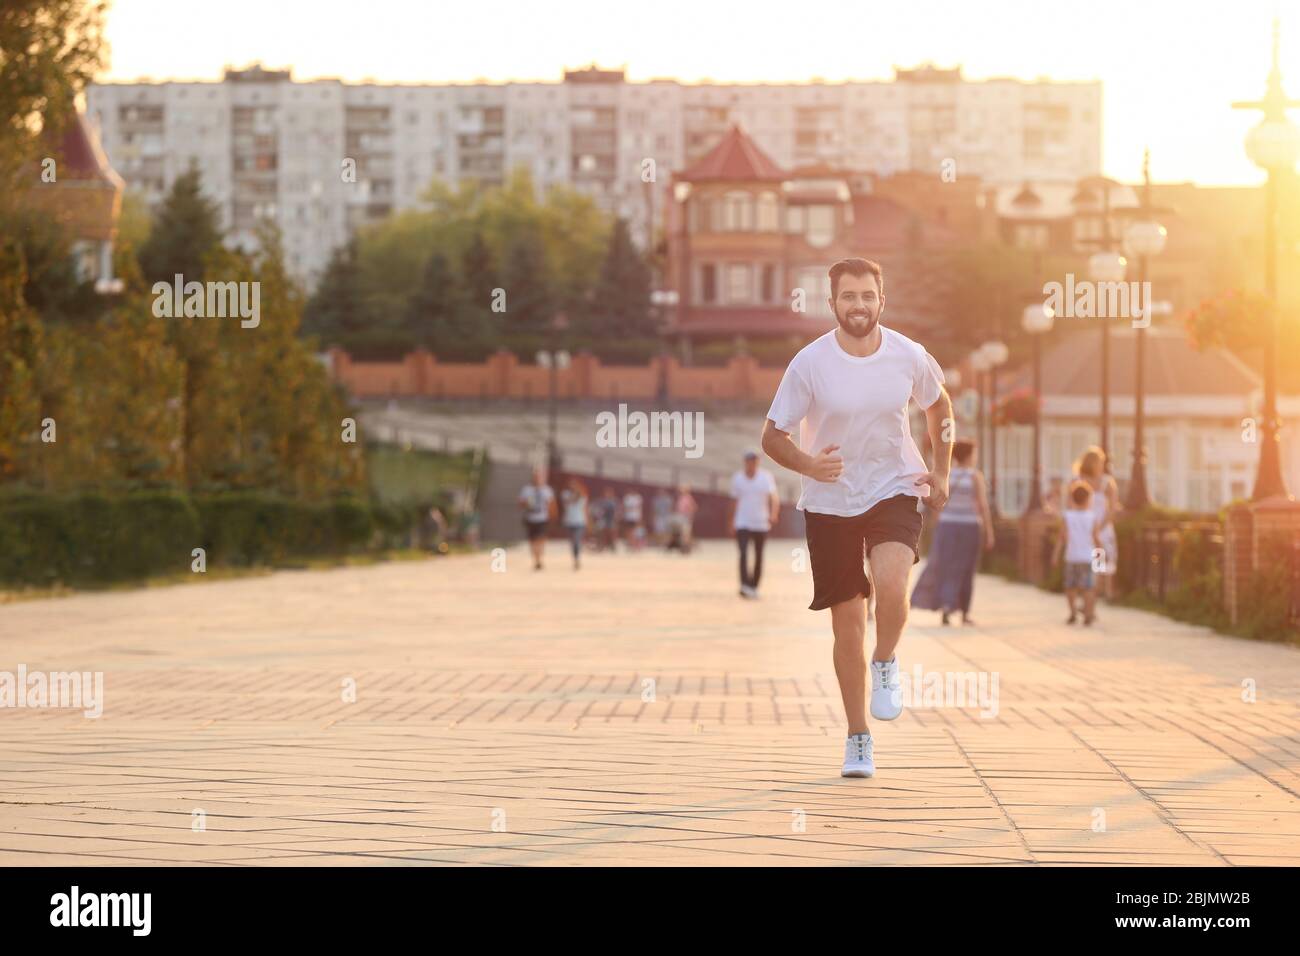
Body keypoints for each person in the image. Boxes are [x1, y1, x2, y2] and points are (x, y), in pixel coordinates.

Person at [762, 257, 951, 779]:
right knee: (847, 627)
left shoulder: (908, 356)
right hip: (831, 502)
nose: (859, 306)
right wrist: (808, 464)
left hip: (893, 487)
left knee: (893, 585)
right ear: (833, 304)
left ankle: (885, 658)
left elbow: (940, 409)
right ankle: (857, 737)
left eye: (868, 296)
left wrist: (941, 469)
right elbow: (772, 436)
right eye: (849, 297)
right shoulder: (809, 363)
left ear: (881, 301)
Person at [910, 439, 994, 625]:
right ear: (969, 455)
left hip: (947, 527)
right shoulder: (975, 476)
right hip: (969, 527)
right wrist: (989, 532)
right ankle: (964, 612)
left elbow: (936, 504)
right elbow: (983, 506)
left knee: (945, 566)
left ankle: (946, 607)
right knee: (966, 568)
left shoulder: (947, 476)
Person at [1066, 446, 1120, 600]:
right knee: (1087, 563)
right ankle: (1090, 595)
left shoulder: (1107, 482)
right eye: (1100, 462)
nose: (1102, 465)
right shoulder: (1077, 481)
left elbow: (1113, 508)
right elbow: (1070, 506)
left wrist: (1100, 527)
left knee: (1101, 561)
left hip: (1102, 529)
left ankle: (1103, 593)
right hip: (1083, 529)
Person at [728, 449, 780, 599]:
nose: (752, 464)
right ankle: (744, 585)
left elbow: (773, 497)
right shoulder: (738, 478)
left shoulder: (765, 477)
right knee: (743, 553)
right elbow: (733, 501)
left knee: (759, 555)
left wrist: (773, 513)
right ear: (746, 462)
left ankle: (754, 586)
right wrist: (731, 522)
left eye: (755, 461)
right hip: (742, 521)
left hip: (761, 522)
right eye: (750, 461)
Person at [1054, 480, 1103, 625]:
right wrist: (1100, 560)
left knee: (1070, 586)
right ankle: (1088, 614)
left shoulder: (1067, 516)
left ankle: (1073, 612)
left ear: (1072, 498)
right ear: (1089, 499)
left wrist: (1055, 555)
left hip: (1072, 556)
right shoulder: (1092, 517)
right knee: (1088, 587)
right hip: (1088, 557)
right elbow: (1096, 539)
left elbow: (1062, 538)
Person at [517, 467, 557, 571]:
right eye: (536, 477)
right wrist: (525, 503)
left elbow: (552, 504)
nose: (537, 479)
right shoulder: (526, 490)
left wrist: (552, 516)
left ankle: (539, 559)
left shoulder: (547, 490)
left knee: (541, 539)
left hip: (542, 518)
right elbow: (520, 503)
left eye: (539, 477)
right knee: (532, 540)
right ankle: (536, 559)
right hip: (530, 518)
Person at [560, 477, 589, 570]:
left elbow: (585, 509)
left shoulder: (583, 495)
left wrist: (588, 521)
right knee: (572, 542)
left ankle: (577, 559)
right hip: (569, 521)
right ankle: (575, 558)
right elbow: (568, 502)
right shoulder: (565, 494)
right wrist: (576, 494)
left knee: (577, 541)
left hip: (580, 521)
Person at [668, 483, 698, 553]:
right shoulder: (681, 498)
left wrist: (689, 514)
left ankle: (686, 548)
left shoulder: (688, 498)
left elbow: (694, 507)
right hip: (680, 518)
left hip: (685, 518)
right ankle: (681, 547)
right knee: (681, 533)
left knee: (685, 534)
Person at [593, 487, 620, 552]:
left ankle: (612, 546)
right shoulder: (601, 501)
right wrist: (598, 516)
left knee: (611, 533)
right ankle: (600, 546)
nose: (607, 494)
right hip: (603, 519)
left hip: (611, 519)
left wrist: (616, 517)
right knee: (601, 532)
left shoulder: (614, 501)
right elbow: (598, 510)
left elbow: (617, 511)